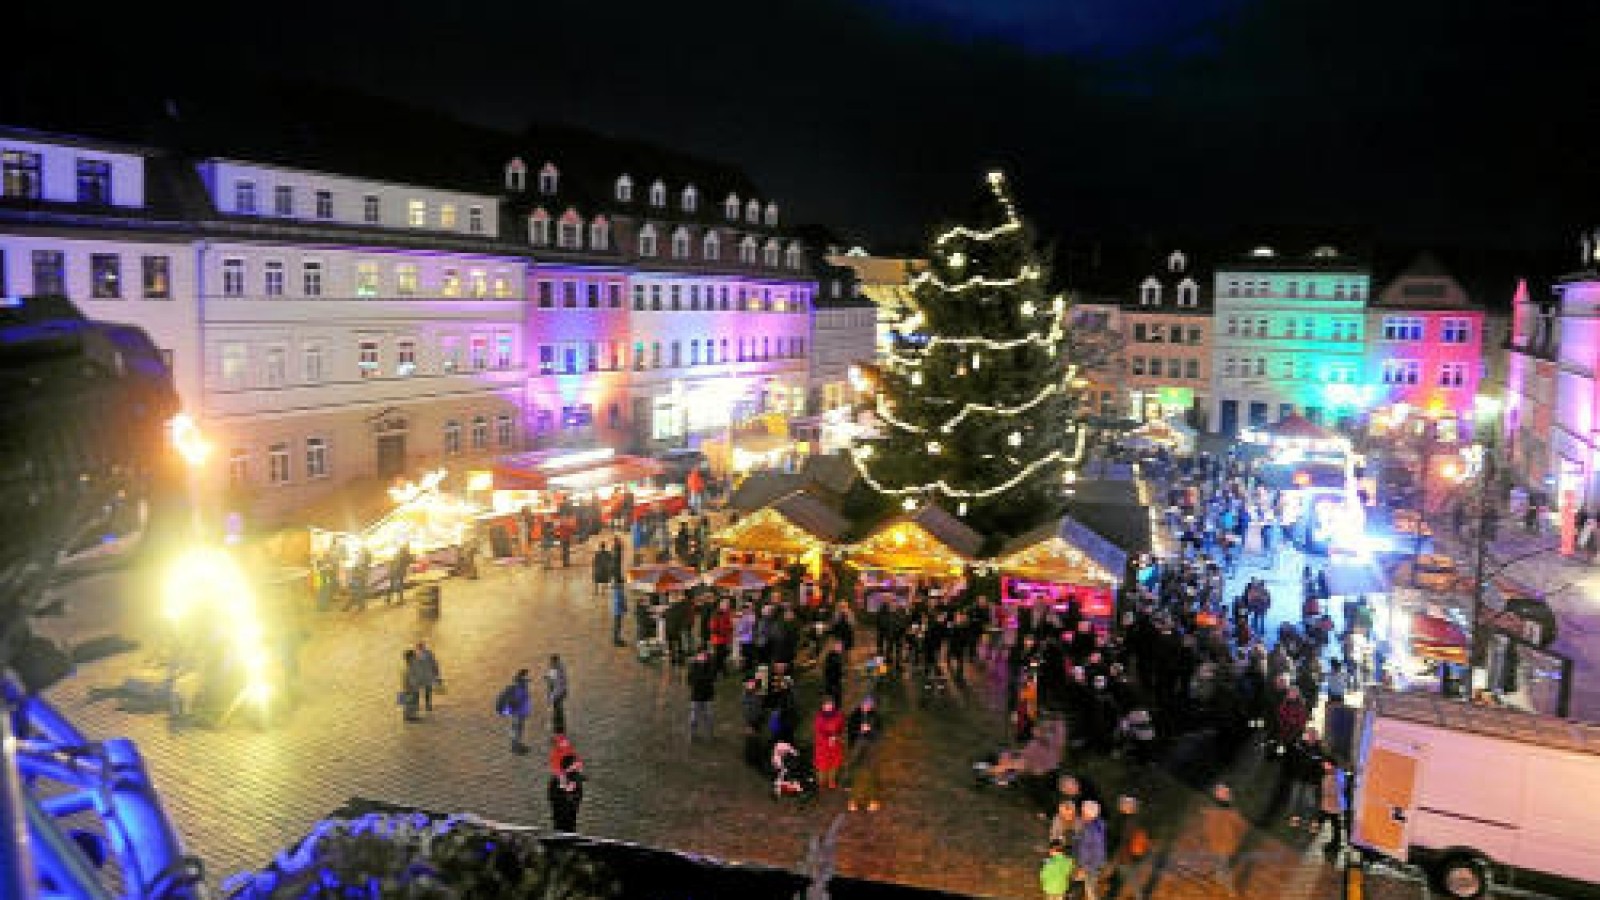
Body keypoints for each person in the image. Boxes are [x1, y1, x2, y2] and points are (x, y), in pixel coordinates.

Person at [1196, 783, 1248, 895]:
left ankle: (1230, 889)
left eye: (1224, 792)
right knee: (1218, 861)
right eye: (1219, 791)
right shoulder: (1215, 807)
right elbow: (1210, 819)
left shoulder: (1231, 810)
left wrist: (1235, 834)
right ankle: (1215, 876)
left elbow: (1240, 825)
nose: (1221, 793)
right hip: (1217, 840)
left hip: (1225, 842)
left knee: (1222, 865)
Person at [846, 695, 883, 812]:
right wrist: (859, 730)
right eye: (865, 704)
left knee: (870, 771)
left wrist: (870, 730)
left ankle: (872, 800)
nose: (867, 707)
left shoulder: (875, 716)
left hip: (870, 746)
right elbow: (850, 732)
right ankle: (852, 799)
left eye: (869, 705)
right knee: (856, 770)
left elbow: (879, 733)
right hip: (857, 745)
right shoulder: (854, 716)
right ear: (861, 704)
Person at [1074, 799, 1108, 900]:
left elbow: (1098, 853)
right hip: (1087, 865)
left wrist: (1085, 868)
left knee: (1090, 891)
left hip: (1091, 867)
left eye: (1083, 811)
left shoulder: (1092, 829)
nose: (1081, 813)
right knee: (1087, 888)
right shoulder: (1091, 826)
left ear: (1089, 814)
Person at [496, 669, 534, 752]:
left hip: (519, 713)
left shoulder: (520, 686)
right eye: (525, 678)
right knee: (516, 729)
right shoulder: (517, 689)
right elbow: (515, 701)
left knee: (518, 729)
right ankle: (515, 747)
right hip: (517, 713)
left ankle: (517, 745)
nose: (527, 681)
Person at [812, 697, 846, 790]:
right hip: (822, 745)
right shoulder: (819, 717)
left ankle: (832, 781)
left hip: (835, 744)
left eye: (830, 704)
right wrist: (828, 738)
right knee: (822, 765)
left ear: (833, 705)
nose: (828, 706)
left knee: (834, 764)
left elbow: (841, 727)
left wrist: (836, 737)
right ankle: (821, 782)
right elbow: (818, 731)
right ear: (823, 706)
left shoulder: (838, 715)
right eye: (826, 705)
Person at [548, 753, 584, 832]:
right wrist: (564, 790)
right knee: (560, 824)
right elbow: (553, 797)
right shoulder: (557, 779)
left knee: (570, 824)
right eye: (575, 764)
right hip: (560, 812)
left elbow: (578, 797)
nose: (578, 767)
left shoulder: (577, 779)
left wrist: (571, 793)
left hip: (571, 813)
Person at [686, 648, 717, 740]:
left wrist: (699, 679)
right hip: (695, 696)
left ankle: (709, 734)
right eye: (700, 655)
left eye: (704, 656)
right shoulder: (693, 666)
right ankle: (693, 734)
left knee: (709, 716)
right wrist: (701, 680)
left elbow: (711, 678)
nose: (702, 657)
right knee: (693, 718)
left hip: (707, 696)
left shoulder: (710, 666)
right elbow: (690, 680)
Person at [414, 641, 442, 713]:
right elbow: (435, 665)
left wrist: (437, 675)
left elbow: (434, 664)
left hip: (426, 676)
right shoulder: (416, 655)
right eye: (419, 647)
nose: (420, 648)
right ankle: (423, 705)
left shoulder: (428, 654)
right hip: (421, 677)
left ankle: (426, 705)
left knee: (427, 691)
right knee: (420, 692)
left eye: (421, 647)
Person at [399, 649, 426, 722]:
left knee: (410, 701)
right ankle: (410, 716)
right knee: (411, 700)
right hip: (410, 688)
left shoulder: (409, 667)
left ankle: (409, 715)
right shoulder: (409, 668)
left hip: (409, 688)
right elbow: (412, 680)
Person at [544, 654, 569, 734]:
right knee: (557, 710)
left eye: (552, 662)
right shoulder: (558, 669)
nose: (551, 663)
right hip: (558, 693)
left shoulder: (557, 669)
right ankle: (559, 728)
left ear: (555, 661)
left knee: (558, 710)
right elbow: (553, 682)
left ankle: (559, 729)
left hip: (558, 693)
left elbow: (556, 683)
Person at [611, 580, 628, 646]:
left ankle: (617, 639)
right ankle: (616, 640)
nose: (623, 585)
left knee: (618, 626)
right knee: (617, 626)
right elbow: (619, 601)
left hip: (617, 611)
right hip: (618, 612)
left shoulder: (617, 591)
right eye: (622, 584)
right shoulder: (618, 591)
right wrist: (624, 608)